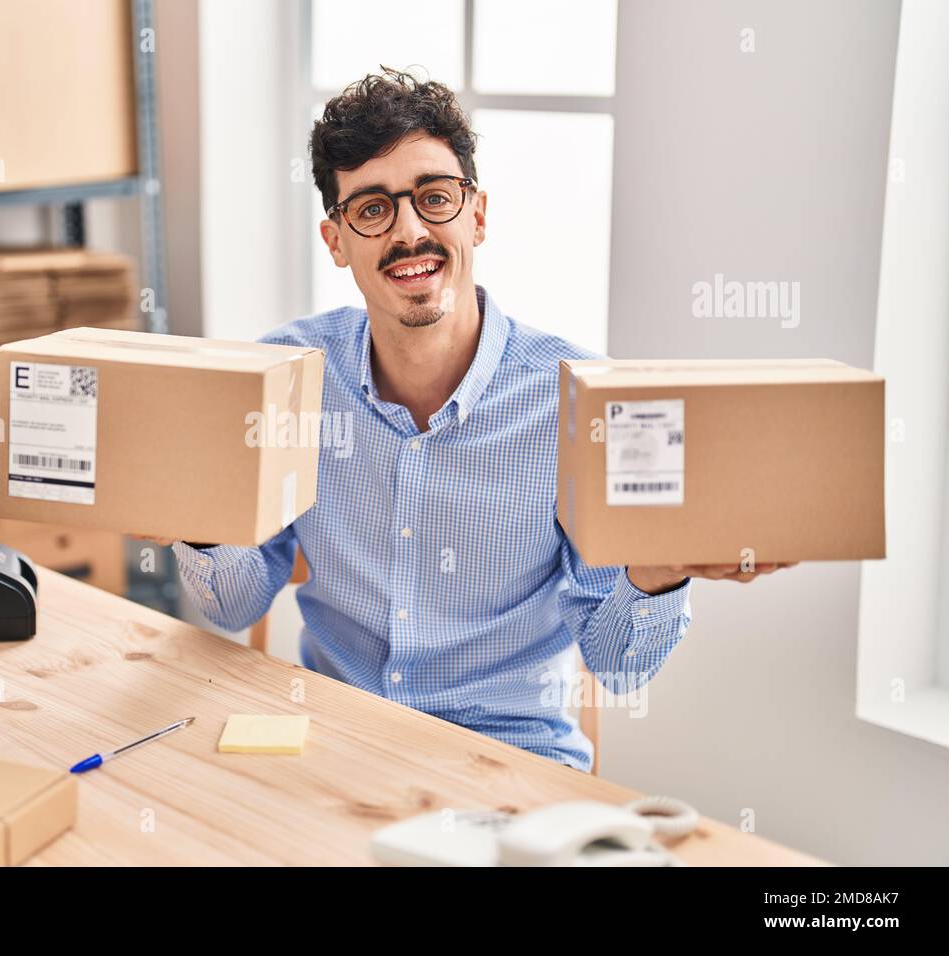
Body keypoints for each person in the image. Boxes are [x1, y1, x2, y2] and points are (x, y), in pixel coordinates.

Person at [148, 68, 790, 771]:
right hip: (333, 745)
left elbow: (621, 666)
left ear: (476, 215)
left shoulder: (581, 405)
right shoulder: (287, 376)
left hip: (510, 764)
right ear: (336, 241)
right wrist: (194, 520)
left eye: (434, 198)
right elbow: (235, 605)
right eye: (372, 210)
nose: (410, 232)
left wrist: (658, 569)